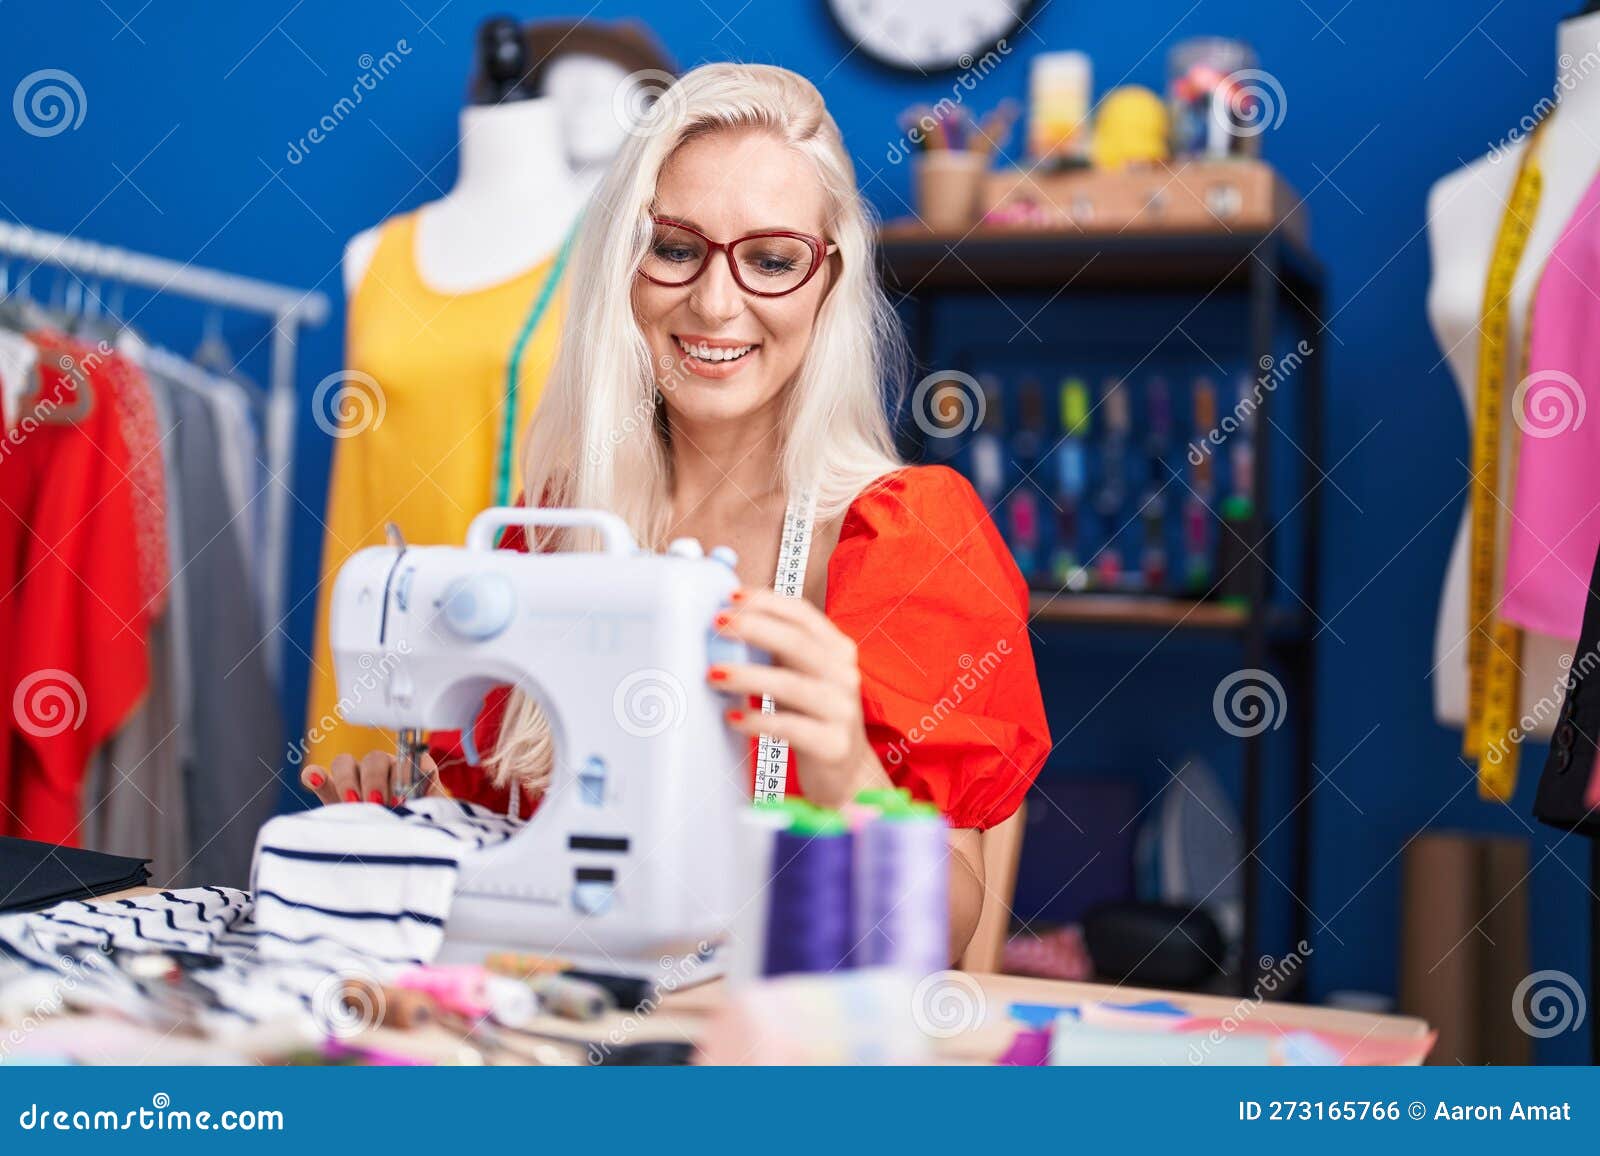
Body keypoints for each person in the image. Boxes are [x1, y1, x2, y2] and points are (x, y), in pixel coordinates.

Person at [300, 62, 1051, 960]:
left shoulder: (909, 539)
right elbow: (518, 861)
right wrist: (419, 813)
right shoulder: (559, 531)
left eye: (772, 260)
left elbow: (941, 935)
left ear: (829, 283)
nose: (715, 302)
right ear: (626, 263)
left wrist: (849, 772)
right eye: (675, 247)